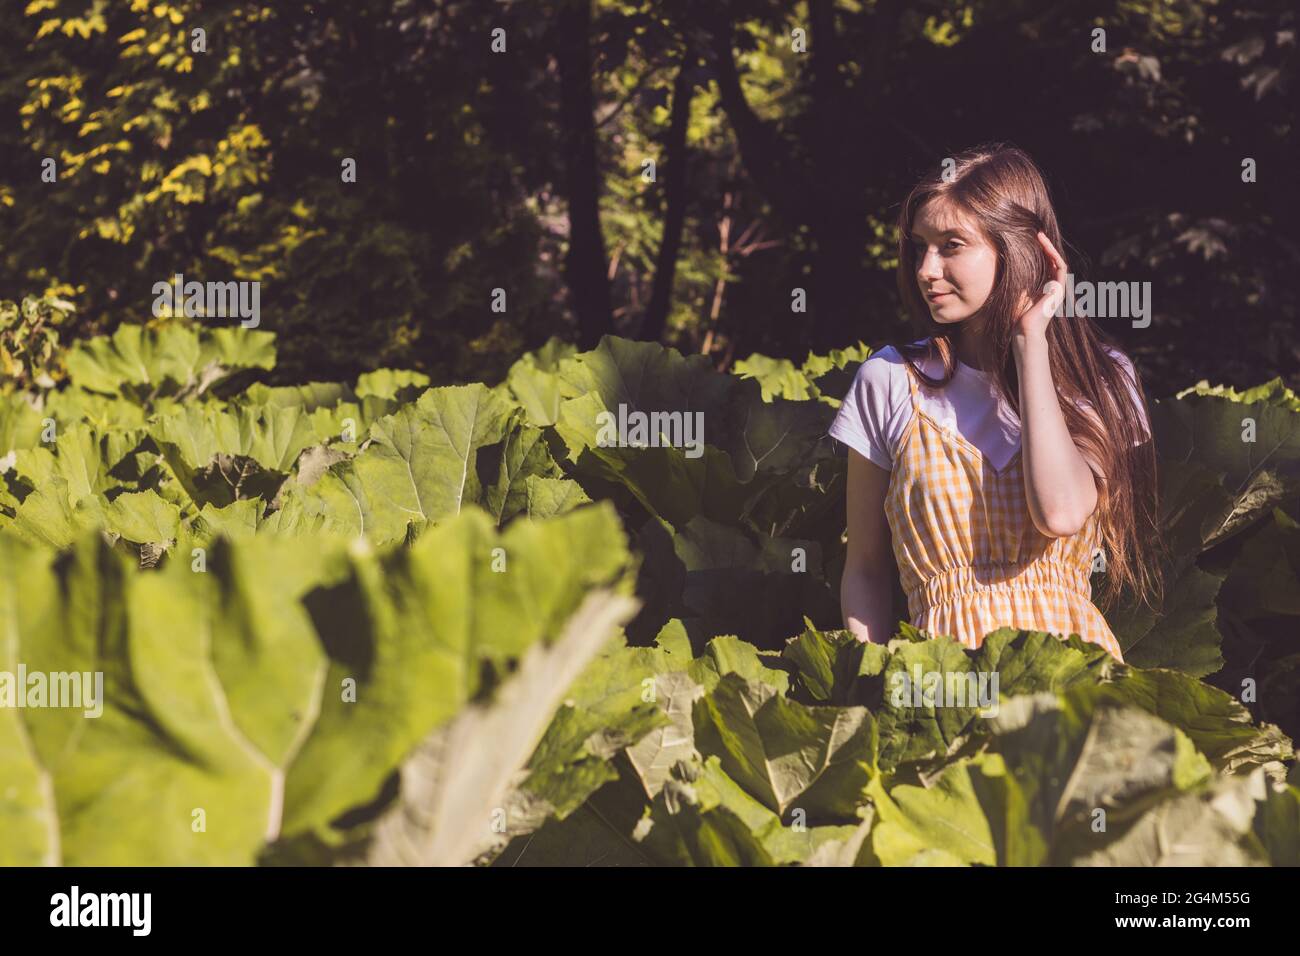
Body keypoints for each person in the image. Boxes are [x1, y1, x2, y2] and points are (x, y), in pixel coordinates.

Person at [831, 144, 1163, 661]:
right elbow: (865, 570)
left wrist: (1033, 346)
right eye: (920, 247)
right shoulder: (890, 380)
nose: (925, 269)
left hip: (1074, 679)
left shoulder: (1103, 379)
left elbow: (1059, 512)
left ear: (1017, 250)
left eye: (951, 245)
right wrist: (870, 683)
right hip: (943, 682)